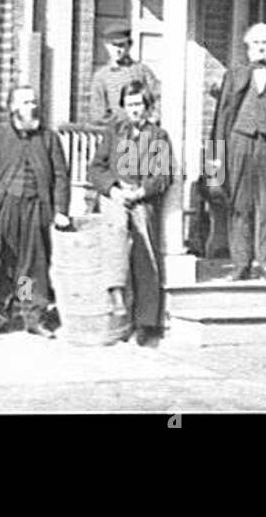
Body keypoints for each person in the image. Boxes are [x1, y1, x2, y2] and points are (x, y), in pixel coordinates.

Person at [0, 85, 72, 338]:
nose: (34, 106)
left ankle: (32, 317)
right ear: (14, 108)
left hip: (36, 208)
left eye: (34, 101)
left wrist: (61, 209)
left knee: (31, 266)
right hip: (6, 207)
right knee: (5, 263)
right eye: (27, 102)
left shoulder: (49, 139)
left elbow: (61, 177)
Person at [209, 23, 266, 284]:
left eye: (265, 44)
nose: (260, 48)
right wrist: (214, 163)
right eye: (256, 44)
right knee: (239, 206)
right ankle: (240, 265)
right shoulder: (234, 76)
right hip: (238, 143)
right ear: (248, 48)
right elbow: (221, 118)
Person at [89, 81, 173, 346]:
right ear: (124, 107)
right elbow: (96, 168)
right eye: (131, 104)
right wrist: (113, 190)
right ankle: (117, 309)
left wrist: (139, 192)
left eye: (140, 104)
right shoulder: (114, 132)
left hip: (141, 203)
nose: (135, 110)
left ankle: (146, 322)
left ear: (147, 106)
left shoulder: (158, 136)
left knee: (144, 260)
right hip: (116, 200)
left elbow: (162, 175)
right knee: (115, 251)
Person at [90, 26, 161, 124]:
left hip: (144, 130)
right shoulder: (101, 76)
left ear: (129, 45)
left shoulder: (142, 71)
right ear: (106, 46)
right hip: (117, 131)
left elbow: (159, 97)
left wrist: (154, 117)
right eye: (114, 45)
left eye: (122, 45)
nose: (118, 50)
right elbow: (98, 111)